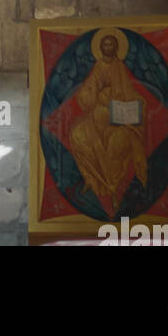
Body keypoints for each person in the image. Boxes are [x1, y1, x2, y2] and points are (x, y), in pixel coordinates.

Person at [67, 31, 148, 216]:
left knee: (115, 147)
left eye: (112, 44)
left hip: (118, 118)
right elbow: (87, 92)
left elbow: (129, 93)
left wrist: (138, 103)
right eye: (105, 44)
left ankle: (113, 190)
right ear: (101, 48)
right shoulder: (99, 66)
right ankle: (94, 181)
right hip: (98, 115)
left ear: (117, 47)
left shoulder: (120, 67)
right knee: (78, 136)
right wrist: (96, 94)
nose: (108, 48)